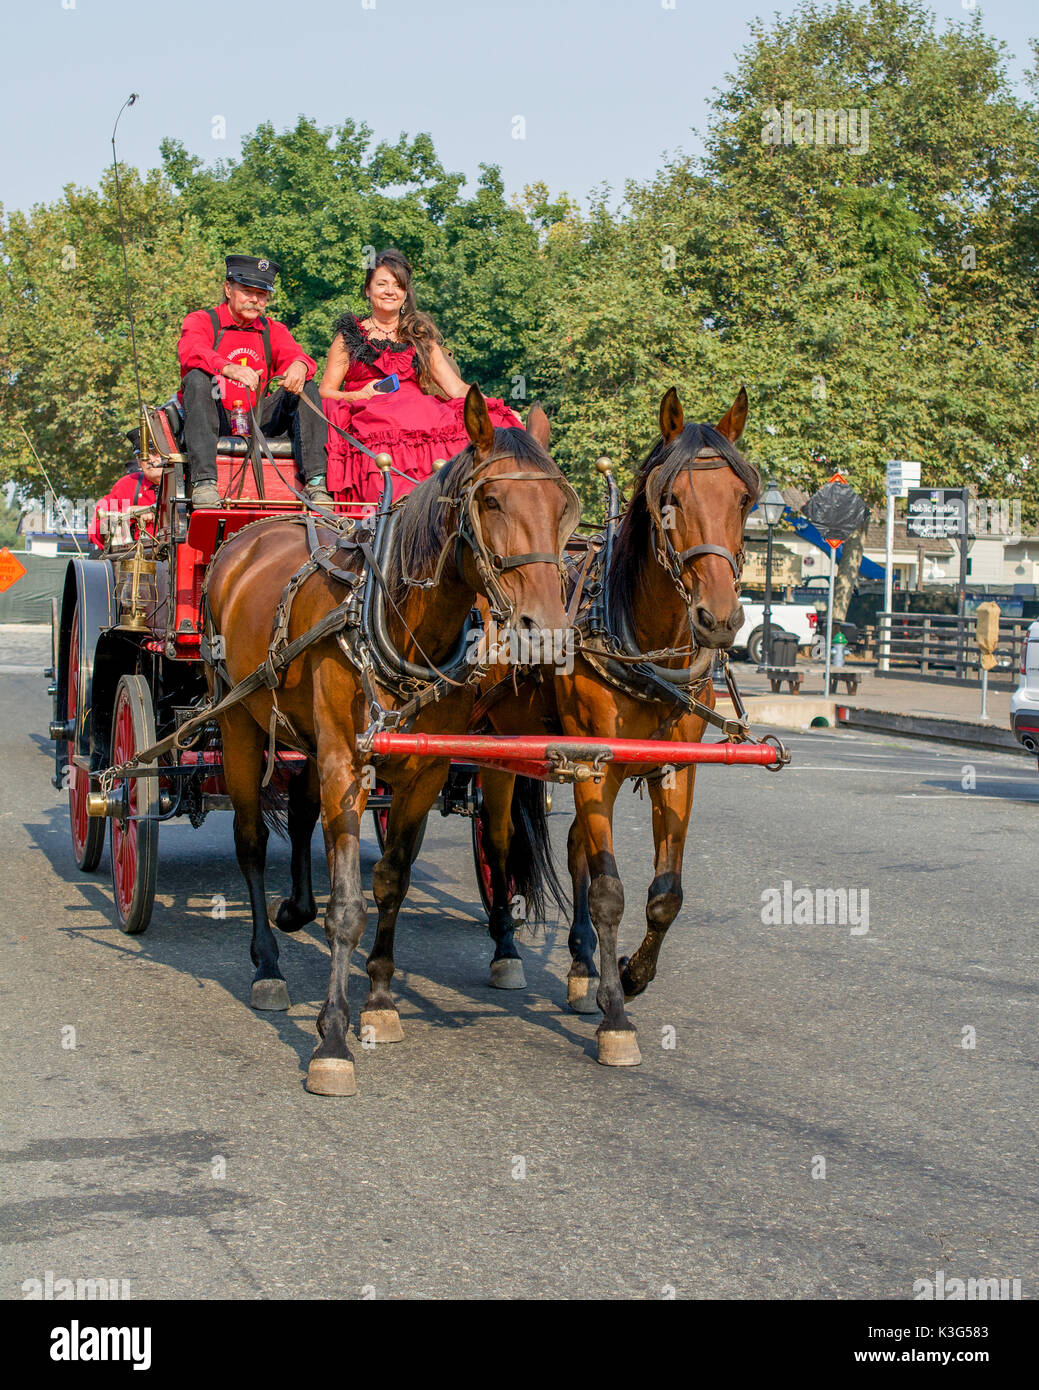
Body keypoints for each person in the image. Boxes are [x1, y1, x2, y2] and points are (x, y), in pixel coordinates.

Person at [319, 249, 521, 504]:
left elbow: (455, 387)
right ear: (368, 290)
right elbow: (325, 392)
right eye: (381, 284)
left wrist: (494, 407)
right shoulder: (348, 336)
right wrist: (358, 394)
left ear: (405, 294)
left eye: (398, 285)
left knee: (483, 425)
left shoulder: (419, 334)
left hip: (423, 413)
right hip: (370, 414)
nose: (390, 291)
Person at [177, 255, 332, 508]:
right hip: (214, 416)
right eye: (247, 292)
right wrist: (228, 368)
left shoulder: (273, 329)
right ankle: (204, 482)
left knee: (305, 385)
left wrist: (299, 366)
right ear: (228, 289)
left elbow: (300, 356)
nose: (255, 300)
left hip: (258, 418)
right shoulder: (202, 320)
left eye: (262, 295)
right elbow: (190, 350)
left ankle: (316, 481)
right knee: (196, 378)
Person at [89, 450, 162, 550]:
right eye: (143, 455)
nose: (150, 459)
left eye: (155, 453)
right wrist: (128, 514)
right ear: (139, 461)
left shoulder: (187, 484)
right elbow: (96, 530)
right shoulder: (128, 484)